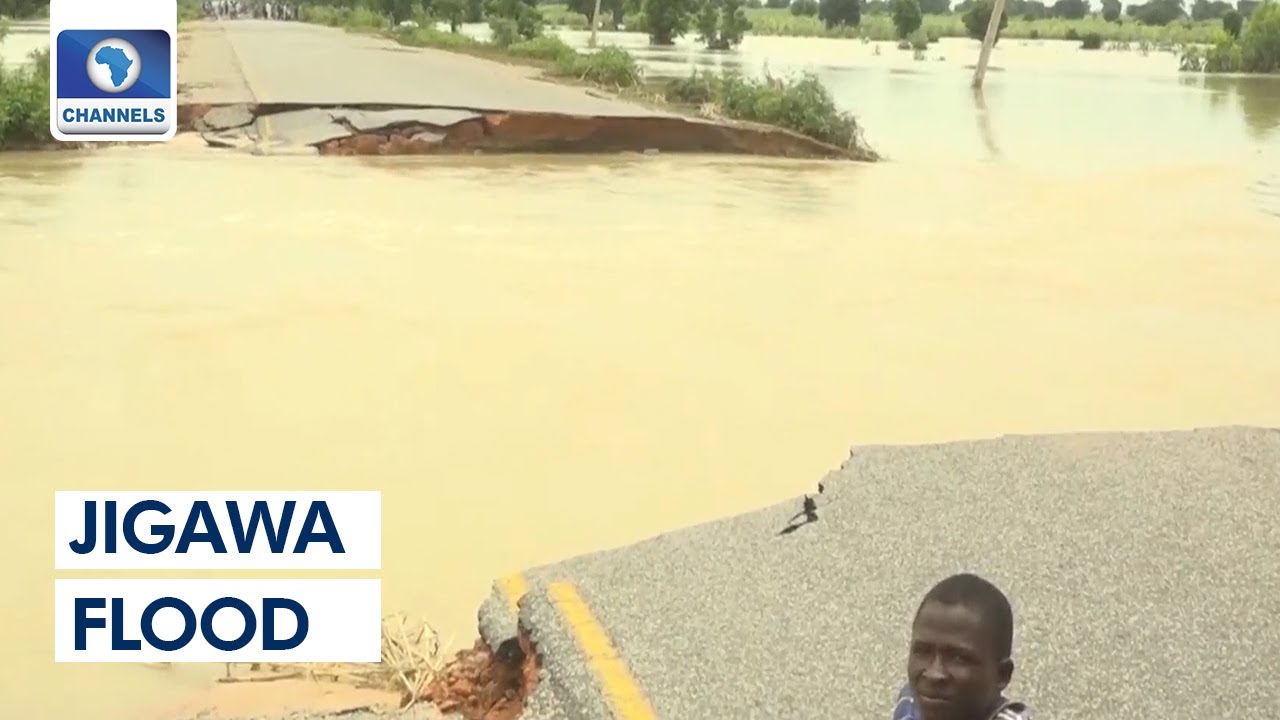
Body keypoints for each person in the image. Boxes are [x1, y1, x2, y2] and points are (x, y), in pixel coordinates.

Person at [892, 573, 1032, 720]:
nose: (933, 674)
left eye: (958, 658)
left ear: (1002, 674)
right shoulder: (911, 703)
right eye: (922, 652)